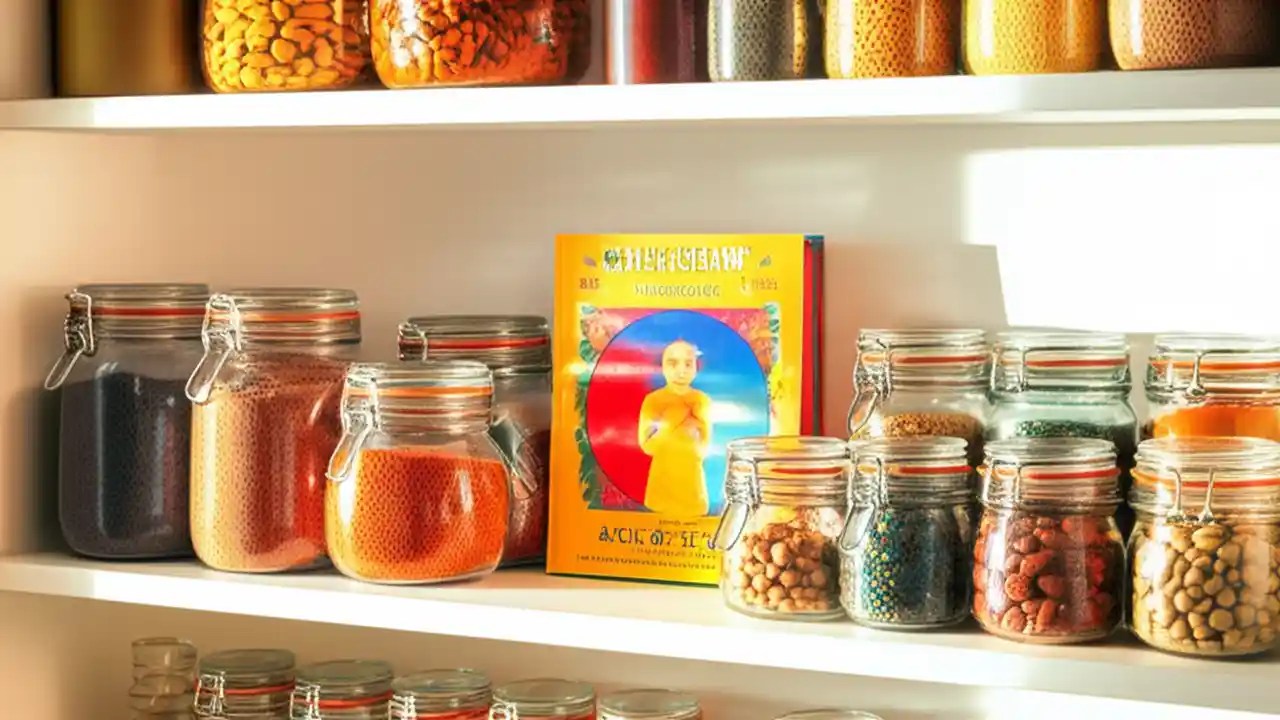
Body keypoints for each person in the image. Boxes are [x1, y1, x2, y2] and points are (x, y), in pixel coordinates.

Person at [638, 340, 711, 516]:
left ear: (696, 367)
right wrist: (670, 423)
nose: (681, 370)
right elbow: (647, 446)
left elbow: (705, 447)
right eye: (673, 363)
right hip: (662, 484)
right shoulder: (653, 400)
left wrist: (695, 428)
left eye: (688, 363)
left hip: (691, 485)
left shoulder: (702, 401)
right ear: (662, 367)